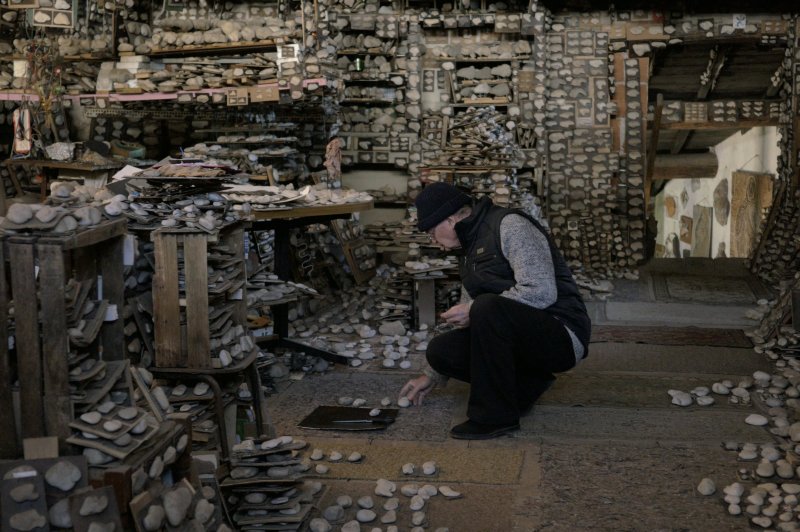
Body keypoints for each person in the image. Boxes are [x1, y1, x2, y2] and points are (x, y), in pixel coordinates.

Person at [399, 182, 591, 440]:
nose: (432, 240)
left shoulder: (509, 225)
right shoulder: (468, 249)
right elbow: (470, 314)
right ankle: (527, 385)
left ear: (451, 219)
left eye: (432, 231)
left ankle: (494, 417)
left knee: (485, 307)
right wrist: (431, 375)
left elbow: (542, 291)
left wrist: (474, 309)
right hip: (517, 333)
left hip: (562, 333)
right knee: (441, 350)